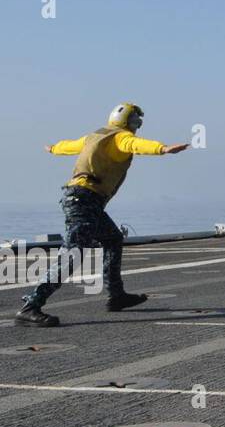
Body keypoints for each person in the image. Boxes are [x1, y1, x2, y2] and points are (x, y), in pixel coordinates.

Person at [15, 103, 189, 328]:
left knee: (113, 238)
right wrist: (162, 148)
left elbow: (70, 146)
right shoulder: (120, 138)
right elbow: (136, 144)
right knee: (73, 254)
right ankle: (31, 306)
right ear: (131, 122)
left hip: (84, 200)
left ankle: (116, 296)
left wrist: (54, 148)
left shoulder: (95, 136)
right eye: (137, 121)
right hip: (84, 200)